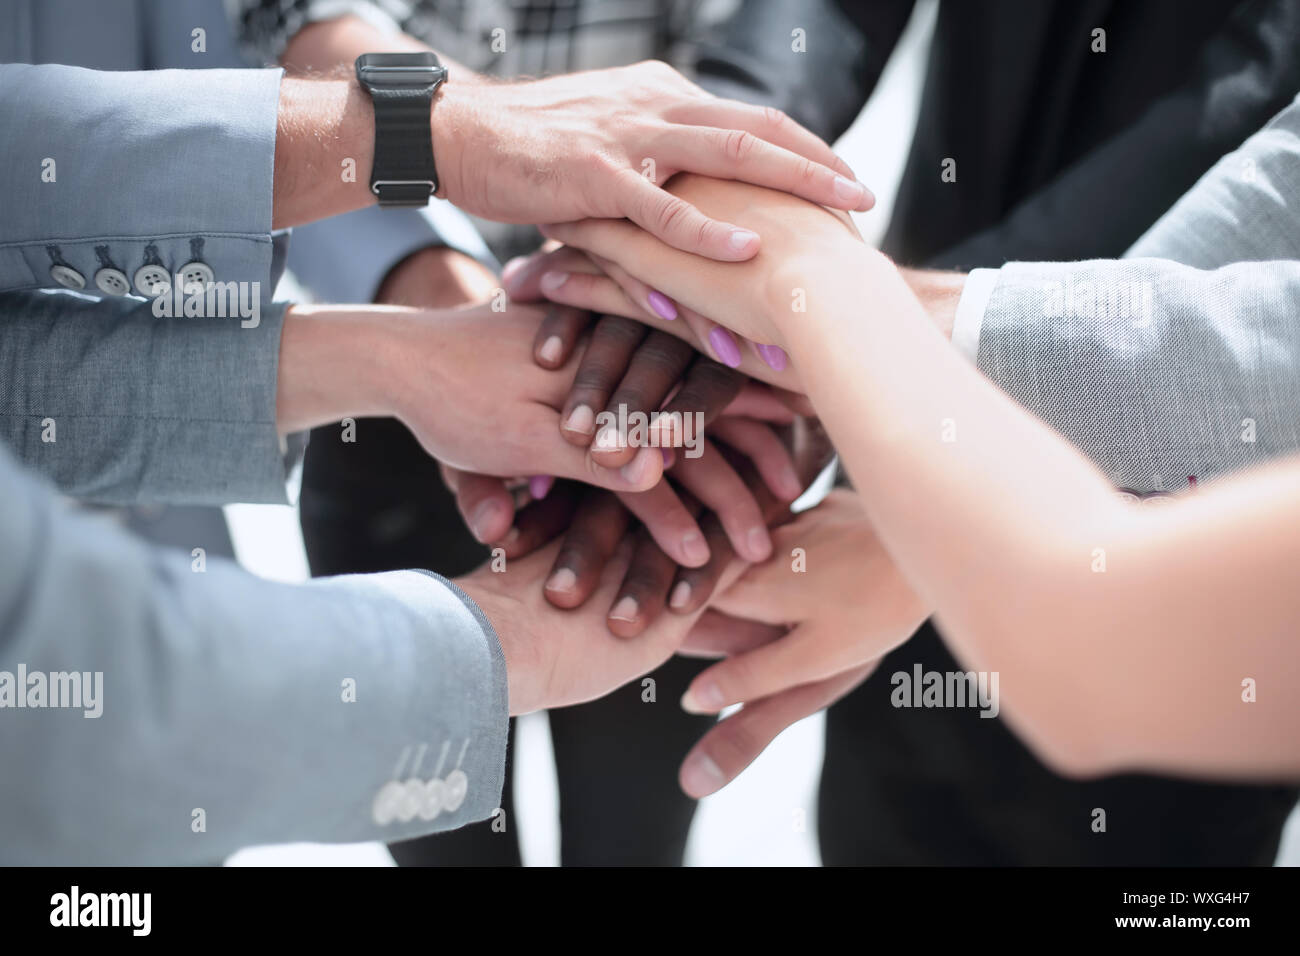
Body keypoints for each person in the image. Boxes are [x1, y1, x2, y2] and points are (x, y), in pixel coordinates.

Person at [529, 0, 1300, 866]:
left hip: (1197, 538)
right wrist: (708, 178)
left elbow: (1253, 112)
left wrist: (832, 308)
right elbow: (1277, 187)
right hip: (893, 447)